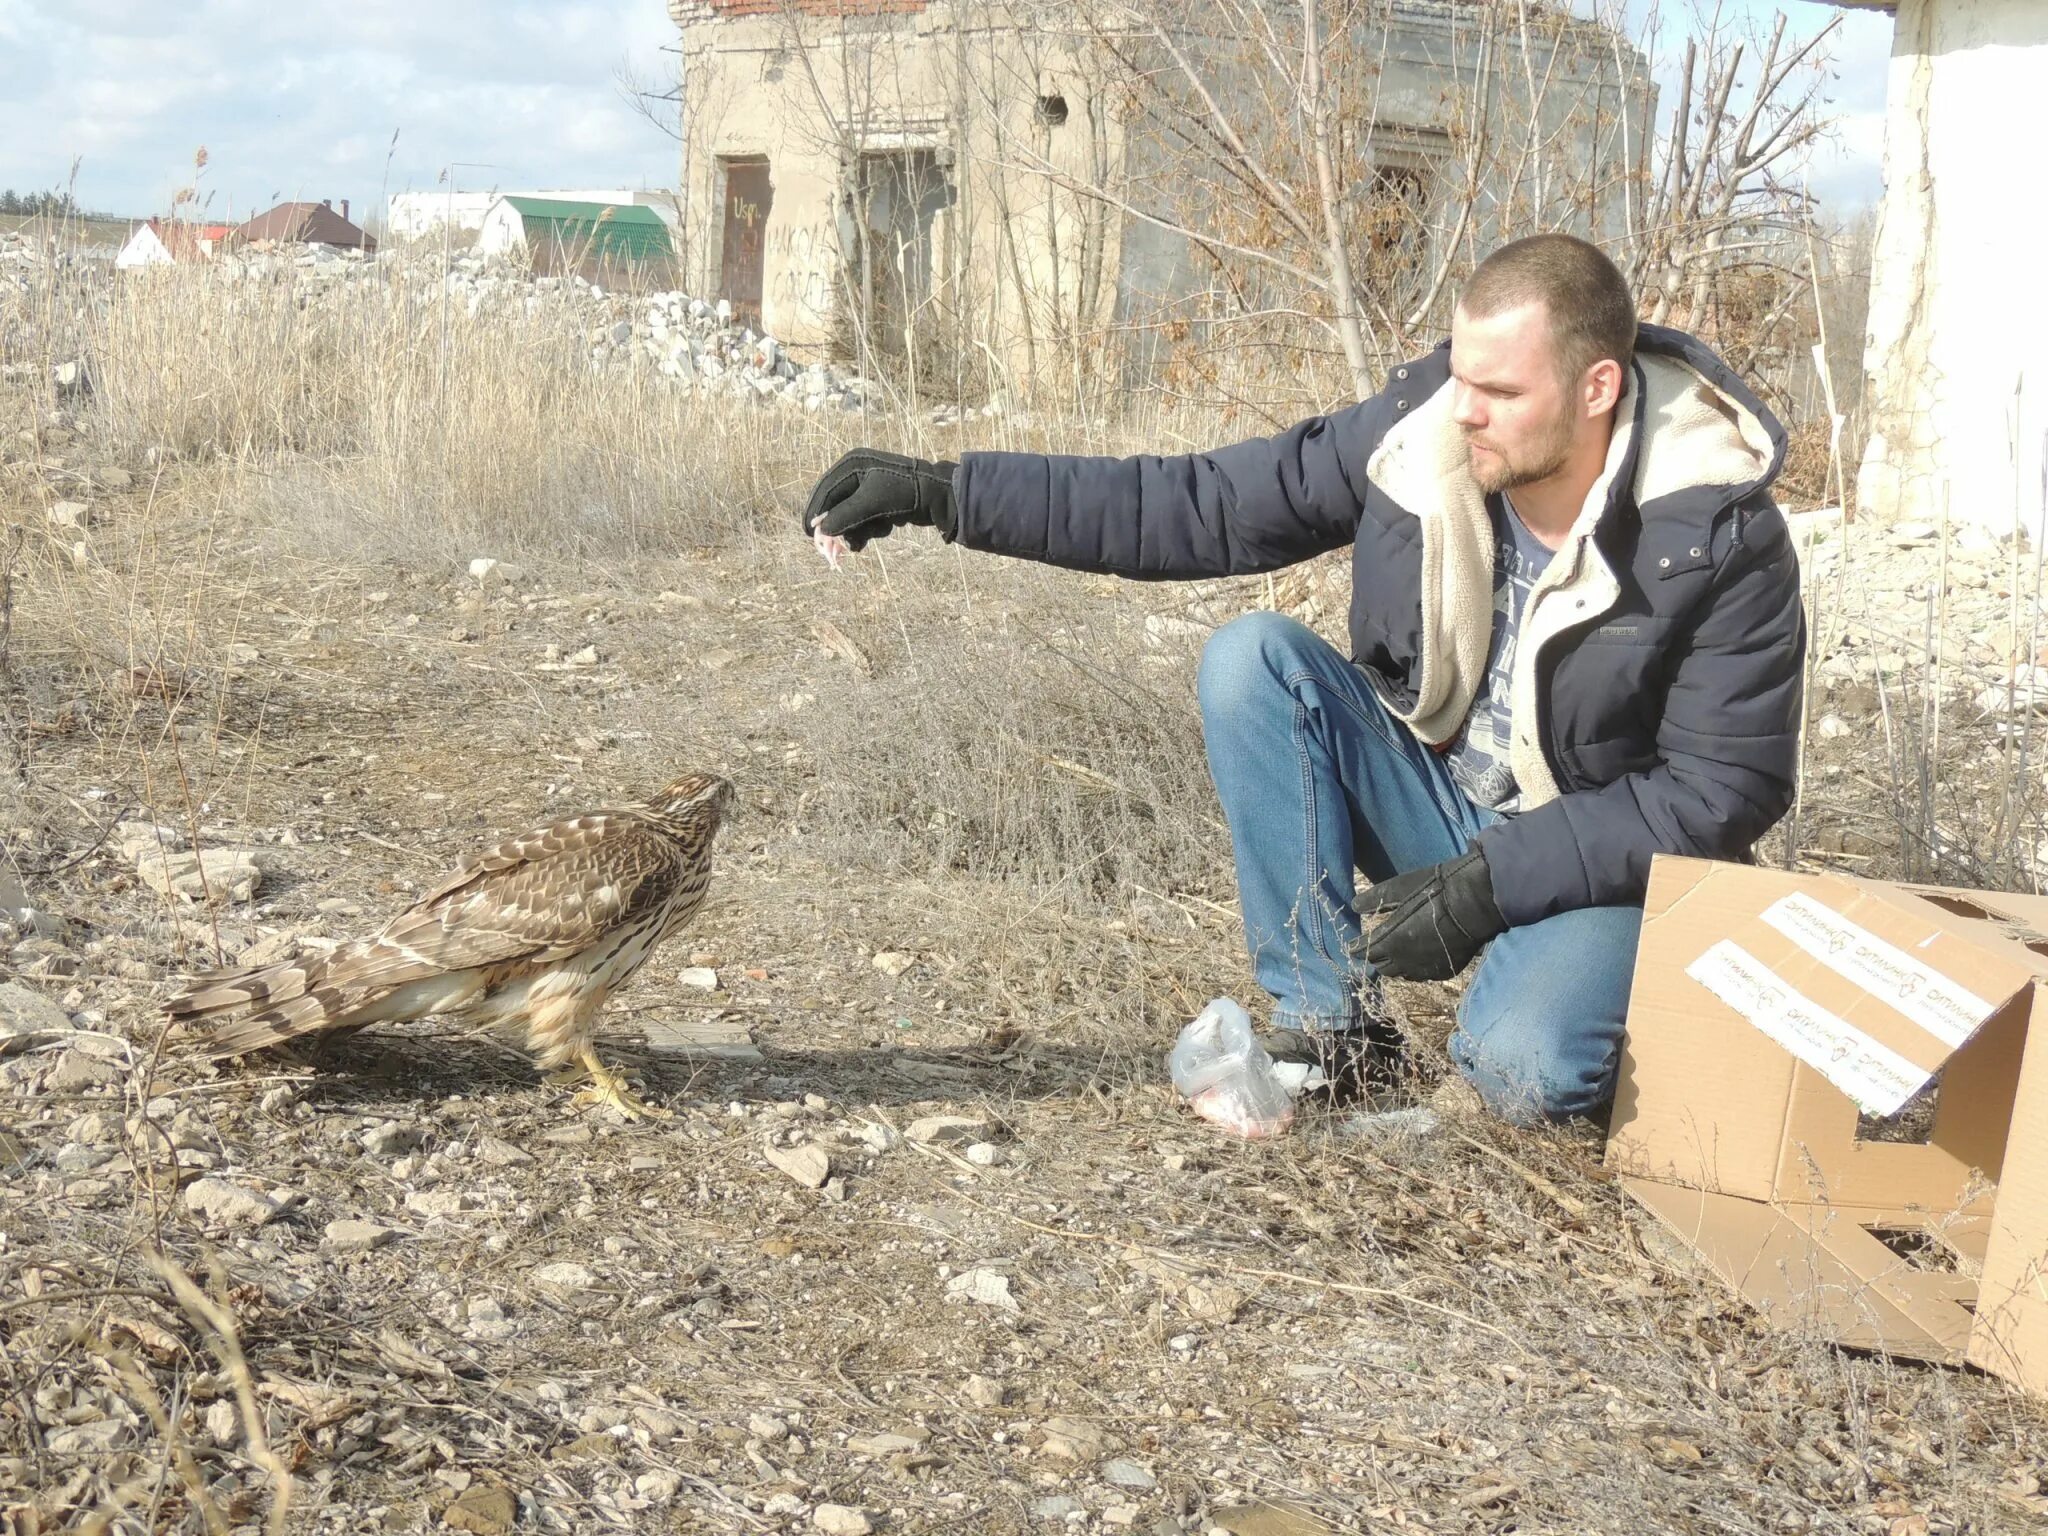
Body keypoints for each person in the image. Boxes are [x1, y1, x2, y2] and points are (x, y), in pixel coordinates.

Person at [801, 234, 1804, 1127]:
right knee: (1254, 661)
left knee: (1522, 1070)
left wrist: (1498, 884)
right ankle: (1333, 1031)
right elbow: (1203, 505)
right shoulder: (1421, 435)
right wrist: (952, 493)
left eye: (1499, 392)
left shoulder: (1712, 532)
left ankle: (1557, 997)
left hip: (1595, 868)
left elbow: (1719, 792)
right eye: (1460, 376)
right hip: (1443, 807)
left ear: (1595, 389)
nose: (1464, 412)